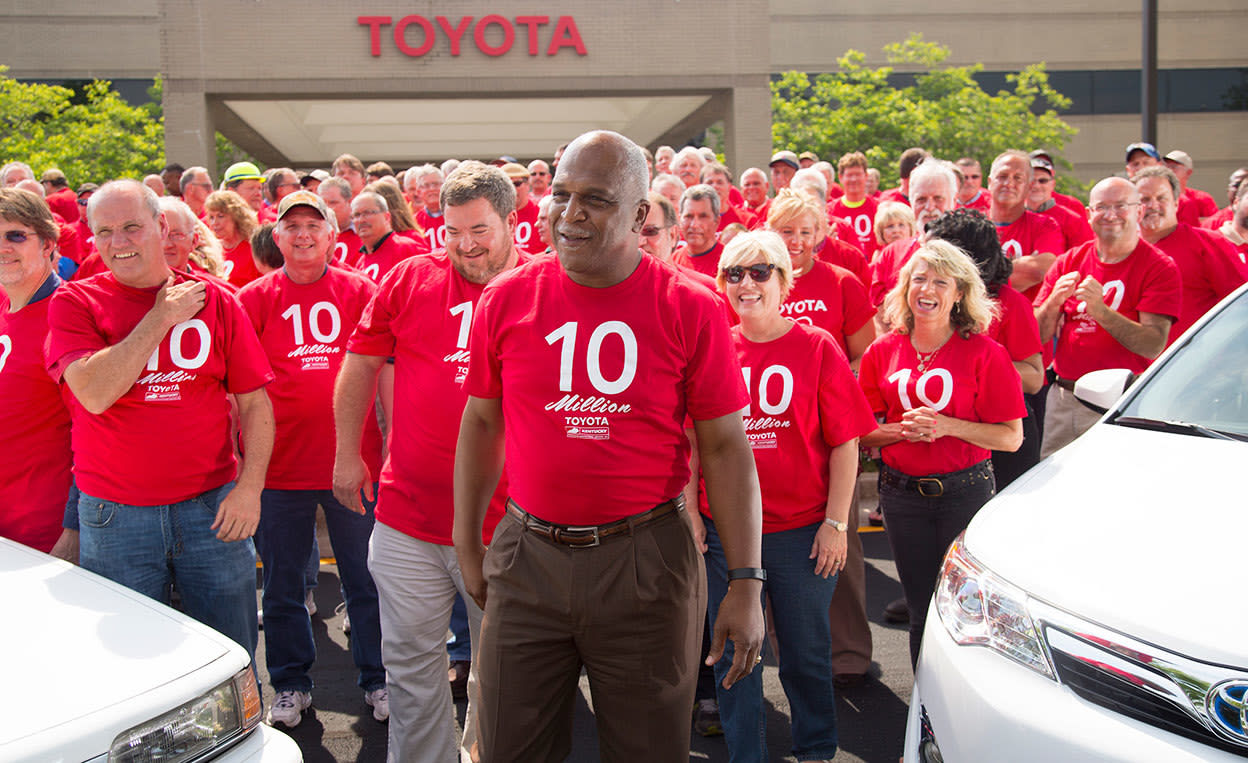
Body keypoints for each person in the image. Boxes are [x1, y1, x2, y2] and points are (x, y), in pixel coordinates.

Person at [453, 130, 765, 763]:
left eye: (593, 199)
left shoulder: (691, 306)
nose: (569, 214)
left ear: (640, 214)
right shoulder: (506, 297)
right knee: (509, 750)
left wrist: (746, 582)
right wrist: (466, 542)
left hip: (647, 561)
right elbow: (482, 424)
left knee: (647, 751)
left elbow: (729, 449)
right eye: (561, 194)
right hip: (527, 554)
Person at [335, 160, 525, 762]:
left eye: (480, 231)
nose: (465, 246)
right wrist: (347, 453)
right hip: (408, 517)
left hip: (511, 523)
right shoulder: (409, 278)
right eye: (453, 231)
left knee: (507, 675)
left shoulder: (548, 285)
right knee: (412, 670)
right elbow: (360, 362)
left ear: (513, 223)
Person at [46, 179, 274, 657]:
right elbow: (93, 393)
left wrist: (250, 489)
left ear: (161, 225)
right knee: (132, 662)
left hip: (211, 509)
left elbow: (255, 403)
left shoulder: (216, 300)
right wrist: (159, 318)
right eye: (105, 232)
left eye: (132, 227)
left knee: (229, 655)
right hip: (115, 516)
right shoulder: (74, 302)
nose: (119, 242)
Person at [696, 230, 875, 762]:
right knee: (733, 655)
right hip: (725, 533)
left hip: (801, 533)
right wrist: (690, 511)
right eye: (734, 273)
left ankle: (816, 750)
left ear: (783, 279)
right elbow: (689, 440)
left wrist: (836, 524)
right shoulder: (713, 345)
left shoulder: (817, 345)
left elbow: (847, 441)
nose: (746, 284)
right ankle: (744, 756)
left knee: (804, 655)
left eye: (759, 272)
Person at [234, 190, 387, 727]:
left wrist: (387, 451)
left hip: (353, 463)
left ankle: (377, 678)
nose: (302, 234)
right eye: (291, 226)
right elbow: (236, 386)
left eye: (313, 225)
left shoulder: (360, 290)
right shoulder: (252, 298)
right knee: (280, 585)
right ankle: (291, 684)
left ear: (331, 234)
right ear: (276, 237)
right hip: (278, 469)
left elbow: (383, 370)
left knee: (365, 579)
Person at [859, 239, 1025, 668]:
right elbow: (862, 433)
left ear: (959, 294)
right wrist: (901, 432)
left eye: (939, 281)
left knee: (970, 613)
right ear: (904, 287)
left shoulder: (987, 353)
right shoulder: (883, 351)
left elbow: (1011, 438)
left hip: (965, 494)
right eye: (918, 279)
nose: (926, 289)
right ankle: (924, 710)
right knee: (920, 612)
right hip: (900, 496)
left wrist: (947, 426)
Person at [1034, 177, 1182, 458]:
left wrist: (1100, 311)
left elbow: (1152, 343)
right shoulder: (1069, 261)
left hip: (1122, 402)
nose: (1110, 215)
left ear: (1138, 211)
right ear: (1089, 214)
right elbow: (1037, 338)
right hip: (1066, 397)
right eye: (1102, 207)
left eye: (1120, 206)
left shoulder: (1159, 266)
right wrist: (1053, 302)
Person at [925, 209, 1044, 489]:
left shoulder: (1009, 303)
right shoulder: (925, 303)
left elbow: (1034, 376)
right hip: (944, 442)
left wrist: (974, 368)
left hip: (1000, 437)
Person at [0, 188, 76, 559]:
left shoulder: (69, 316)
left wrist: (74, 529)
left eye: (16, 235)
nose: (3, 247)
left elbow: (93, 433)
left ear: (48, 244)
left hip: (43, 532)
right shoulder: (3, 303)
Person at [1133, 166, 1246, 343]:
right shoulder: (1123, 250)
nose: (1153, 205)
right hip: (1140, 365)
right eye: (1144, 199)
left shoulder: (1209, 244)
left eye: (1161, 198)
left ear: (1176, 203)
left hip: (1194, 361)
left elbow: (1240, 305)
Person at [986, 150, 1064, 300]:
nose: (1009, 183)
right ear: (990, 182)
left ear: (1029, 187)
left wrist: (981, 274)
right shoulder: (971, 225)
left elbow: (1038, 271)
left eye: (1017, 178)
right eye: (1002, 177)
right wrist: (1017, 266)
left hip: (1026, 320)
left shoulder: (1045, 226)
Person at [348, 191, 428, 283]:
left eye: (368, 213)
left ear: (386, 217)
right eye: (356, 215)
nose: (361, 219)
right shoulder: (360, 263)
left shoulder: (408, 249)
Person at [204, 189, 261, 287]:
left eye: (220, 216)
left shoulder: (255, 249)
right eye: (211, 217)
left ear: (236, 217)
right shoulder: (210, 250)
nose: (214, 223)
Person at [831, 152, 880, 261]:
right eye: (849, 175)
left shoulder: (879, 208)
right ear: (840, 177)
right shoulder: (831, 210)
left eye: (858, 174)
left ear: (866, 176)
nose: (854, 179)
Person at [675, 184, 724, 278]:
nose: (694, 225)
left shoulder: (730, 262)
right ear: (679, 219)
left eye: (703, 217)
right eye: (689, 216)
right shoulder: (672, 261)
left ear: (717, 221)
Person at [318, 176, 363, 264]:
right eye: (323, 203)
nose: (327, 208)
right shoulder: (312, 237)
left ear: (349, 202)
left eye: (333, 202)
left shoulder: (364, 233)